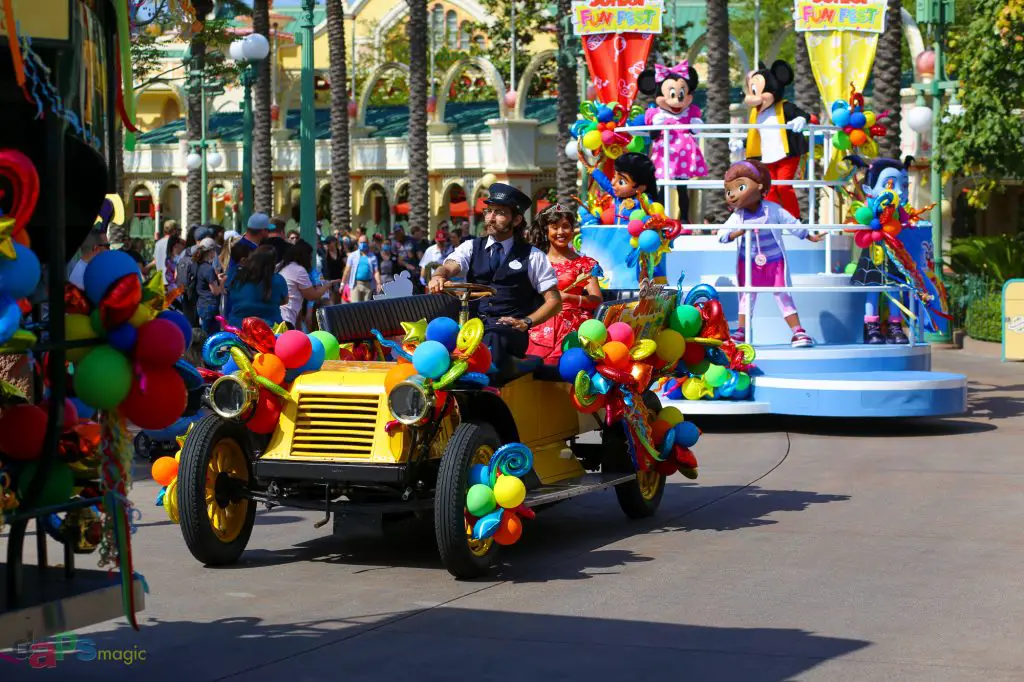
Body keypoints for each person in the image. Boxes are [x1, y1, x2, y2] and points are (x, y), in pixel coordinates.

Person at [428, 182, 561, 378]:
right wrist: (440, 275)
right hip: (471, 326)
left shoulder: (532, 256)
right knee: (438, 330)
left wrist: (527, 321)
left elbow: (554, 302)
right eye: (488, 211)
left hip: (507, 332)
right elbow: (450, 265)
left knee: (491, 339)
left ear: (516, 220)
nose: (490, 218)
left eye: (499, 213)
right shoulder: (471, 247)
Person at [718, 160, 823, 348]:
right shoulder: (737, 216)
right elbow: (722, 235)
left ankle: (798, 331)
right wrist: (736, 233)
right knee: (746, 295)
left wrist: (808, 236)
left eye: (740, 187)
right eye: (728, 191)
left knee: (783, 294)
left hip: (774, 262)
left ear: (759, 186)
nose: (732, 195)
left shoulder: (772, 209)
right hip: (748, 263)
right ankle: (742, 331)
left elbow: (791, 223)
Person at [525, 204, 603, 365]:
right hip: (539, 323)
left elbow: (596, 300)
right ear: (546, 231)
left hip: (572, 327)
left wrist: (569, 297)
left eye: (565, 227)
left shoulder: (586, 264)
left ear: (573, 230)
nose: (560, 232)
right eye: (554, 227)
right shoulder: (534, 261)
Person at [279, 241, 340, 329]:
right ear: (304, 255)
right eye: (310, 255)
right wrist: (327, 285)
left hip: (282, 316)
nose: (311, 258)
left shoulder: (283, 266)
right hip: (287, 318)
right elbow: (313, 296)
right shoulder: (299, 270)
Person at [227, 245, 288, 327]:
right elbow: (285, 300)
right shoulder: (278, 279)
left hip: (238, 327)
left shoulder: (236, 275)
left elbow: (228, 292)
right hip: (270, 328)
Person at [193, 238, 225, 334]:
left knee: (205, 334)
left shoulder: (198, 265)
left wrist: (216, 278)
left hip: (201, 304)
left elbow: (204, 282)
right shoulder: (209, 269)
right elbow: (215, 291)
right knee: (211, 336)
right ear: (211, 251)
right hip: (210, 306)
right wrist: (223, 282)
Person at [342, 234, 382, 302]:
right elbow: (347, 270)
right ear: (358, 243)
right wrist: (342, 283)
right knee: (355, 306)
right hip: (356, 285)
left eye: (364, 242)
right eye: (361, 242)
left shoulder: (373, 257)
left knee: (366, 308)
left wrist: (378, 283)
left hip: (368, 285)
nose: (363, 244)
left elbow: (376, 271)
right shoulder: (352, 256)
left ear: (368, 243)